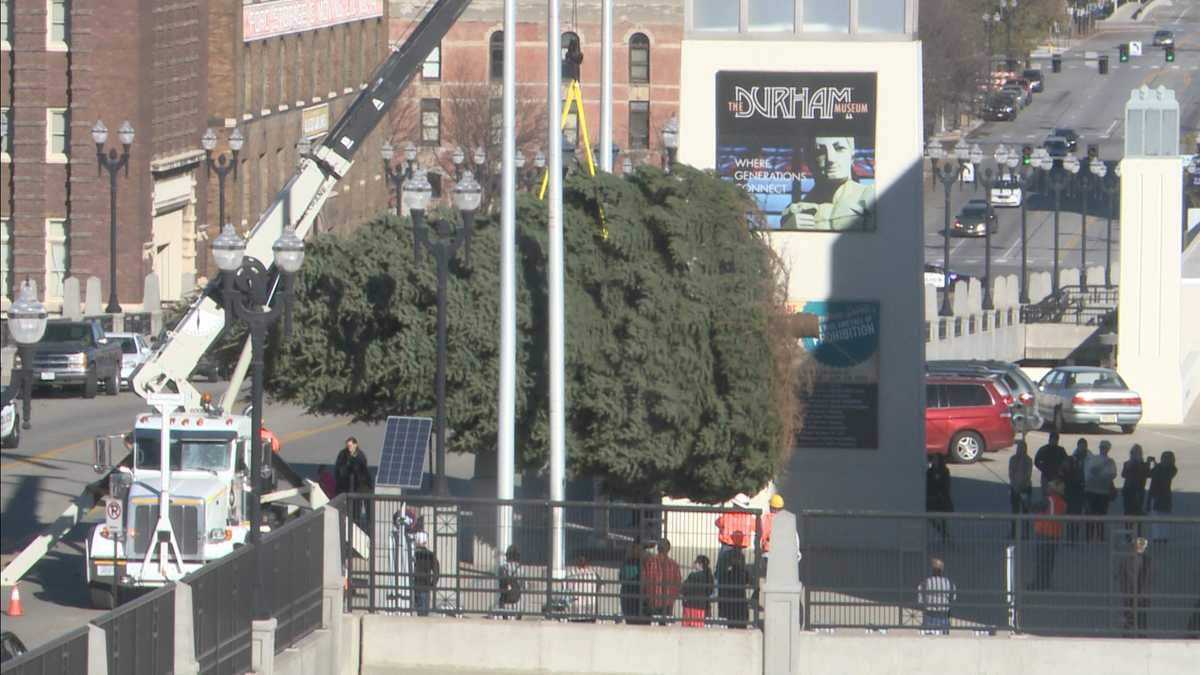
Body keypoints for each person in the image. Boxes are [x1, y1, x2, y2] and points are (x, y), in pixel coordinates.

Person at [780, 136, 875, 231]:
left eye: (839, 148)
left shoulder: (870, 195)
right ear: (809, 161)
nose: (831, 159)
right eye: (820, 151)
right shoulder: (792, 212)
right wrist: (789, 229)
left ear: (852, 155)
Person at [1031, 479, 1066, 590]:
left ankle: (1038, 583)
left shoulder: (1048, 500)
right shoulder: (1062, 502)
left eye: (1049, 487)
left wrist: (1025, 499)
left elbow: (1033, 507)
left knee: (1041, 561)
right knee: (1049, 562)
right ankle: (1045, 583)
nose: (1047, 488)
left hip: (1043, 532)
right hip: (1055, 534)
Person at [335, 437, 374, 531]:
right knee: (354, 511)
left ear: (355, 445)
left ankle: (369, 529)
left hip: (364, 486)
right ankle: (354, 528)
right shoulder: (343, 455)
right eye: (348, 446)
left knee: (368, 509)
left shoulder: (360, 455)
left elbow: (361, 469)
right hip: (352, 487)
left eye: (351, 446)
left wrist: (352, 461)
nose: (349, 448)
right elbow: (340, 469)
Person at [640, 539, 681, 625]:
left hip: (652, 600)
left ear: (658, 548)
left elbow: (643, 580)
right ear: (669, 549)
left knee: (650, 628)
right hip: (667, 602)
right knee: (665, 628)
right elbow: (678, 584)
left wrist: (645, 595)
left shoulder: (650, 562)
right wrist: (672, 597)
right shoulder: (674, 565)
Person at [1115, 536, 1150, 634]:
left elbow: (1149, 577)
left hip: (1140, 594)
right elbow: (1121, 575)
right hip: (1131, 593)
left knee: (1140, 617)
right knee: (1131, 616)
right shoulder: (1126, 560)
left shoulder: (1147, 560)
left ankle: (1138, 635)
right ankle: (1129, 634)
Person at [1084, 440, 1117, 540]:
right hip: (1094, 491)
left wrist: (1100, 475)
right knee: (1092, 515)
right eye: (1103, 447)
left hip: (1101, 492)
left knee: (1099, 515)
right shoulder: (1096, 459)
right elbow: (1109, 475)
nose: (1103, 449)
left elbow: (1112, 475)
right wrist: (1103, 474)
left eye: (1105, 448)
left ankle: (1098, 536)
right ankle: (1091, 536)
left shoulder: (1106, 461)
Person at [917, 558, 956, 634]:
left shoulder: (925, 583)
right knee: (944, 641)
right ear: (942, 570)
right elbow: (953, 599)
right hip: (944, 616)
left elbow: (920, 600)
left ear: (932, 570)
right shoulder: (949, 583)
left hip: (929, 615)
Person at [1146, 451, 1177, 542]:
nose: (1165, 460)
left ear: (1171, 460)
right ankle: (1156, 538)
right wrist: (1148, 463)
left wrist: (1156, 465)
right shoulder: (1158, 467)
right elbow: (1148, 474)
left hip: (1164, 497)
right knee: (1155, 519)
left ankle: (1163, 538)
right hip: (1155, 496)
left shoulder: (1172, 469)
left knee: (1164, 519)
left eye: (1167, 458)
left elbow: (1164, 477)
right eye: (1163, 458)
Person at [716, 547, 751, 628]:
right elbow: (749, 581)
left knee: (730, 624)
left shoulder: (726, 573)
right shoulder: (743, 572)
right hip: (739, 603)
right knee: (740, 625)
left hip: (730, 604)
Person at [1062, 440, 1088, 540]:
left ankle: (1074, 537)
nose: (1082, 449)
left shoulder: (1089, 459)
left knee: (1077, 515)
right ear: (1078, 447)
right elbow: (1064, 472)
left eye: (1084, 447)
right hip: (1070, 491)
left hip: (1081, 491)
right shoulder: (1071, 459)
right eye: (1081, 446)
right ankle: (1069, 536)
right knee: (1069, 515)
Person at [564, 554, 601, 622]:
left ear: (576, 563)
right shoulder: (593, 574)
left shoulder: (570, 573)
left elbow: (565, 588)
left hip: (574, 609)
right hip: (590, 608)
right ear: (587, 564)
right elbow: (599, 588)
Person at [680, 555, 715, 628]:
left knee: (690, 628)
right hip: (704, 606)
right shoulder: (709, 576)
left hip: (691, 606)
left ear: (700, 564)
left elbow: (684, 589)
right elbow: (710, 591)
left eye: (696, 562)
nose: (694, 564)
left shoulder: (693, 575)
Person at [1008, 440, 1034, 537]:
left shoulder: (1029, 460)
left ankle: (1026, 534)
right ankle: (1013, 533)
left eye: (1022, 448)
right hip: (1014, 488)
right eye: (1019, 448)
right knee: (1014, 511)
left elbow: (1028, 475)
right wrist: (1014, 486)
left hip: (1025, 489)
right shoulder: (1013, 459)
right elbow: (1011, 473)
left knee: (1025, 512)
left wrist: (1021, 487)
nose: (1020, 450)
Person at [412, 531, 439, 617]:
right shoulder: (430, 555)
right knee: (424, 613)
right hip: (426, 585)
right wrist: (432, 584)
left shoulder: (413, 554)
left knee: (417, 609)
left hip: (415, 584)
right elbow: (437, 571)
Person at [926, 454, 953, 543]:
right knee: (932, 518)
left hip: (943, 500)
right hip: (932, 500)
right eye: (933, 459)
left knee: (944, 521)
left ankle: (946, 536)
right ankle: (944, 533)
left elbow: (945, 485)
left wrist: (940, 494)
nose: (933, 461)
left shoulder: (945, 471)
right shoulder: (929, 472)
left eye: (935, 459)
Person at [618, 543, 645, 624]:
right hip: (637, 595)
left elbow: (621, 578)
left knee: (630, 620)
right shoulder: (643, 564)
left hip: (627, 595)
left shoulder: (626, 563)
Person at [493, 545, 523, 619]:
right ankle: (517, 614)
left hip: (505, 597)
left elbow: (500, 583)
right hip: (517, 598)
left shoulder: (503, 568)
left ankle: (504, 613)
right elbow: (524, 586)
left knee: (502, 597)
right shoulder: (521, 569)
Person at [1121, 444, 1150, 516]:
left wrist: (1146, 464)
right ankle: (1128, 526)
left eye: (1139, 452)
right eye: (1134, 452)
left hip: (1139, 491)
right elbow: (1123, 474)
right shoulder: (1127, 463)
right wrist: (1130, 465)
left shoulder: (1144, 464)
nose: (1136, 455)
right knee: (1128, 512)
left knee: (1138, 511)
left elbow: (1148, 475)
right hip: (1129, 490)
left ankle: (1138, 526)